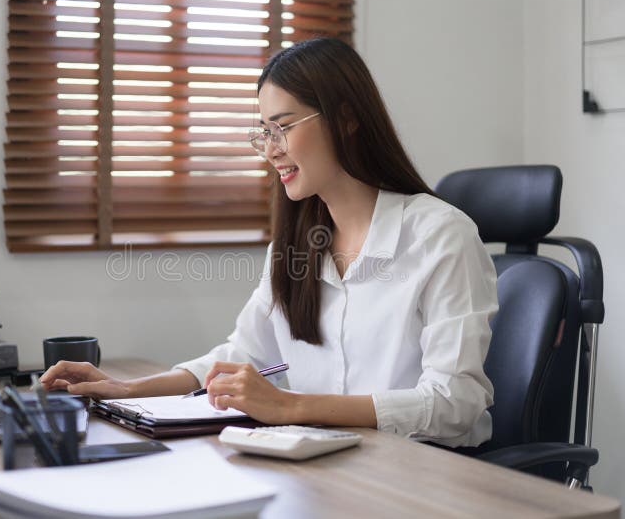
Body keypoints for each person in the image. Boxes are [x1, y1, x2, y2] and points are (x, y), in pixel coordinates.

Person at [41, 37, 498, 447]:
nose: (271, 148)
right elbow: (244, 355)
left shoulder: (441, 235)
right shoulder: (297, 244)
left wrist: (292, 406)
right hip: (329, 467)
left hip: (422, 474)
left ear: (347, 119)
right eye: (263, 131)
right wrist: (126, 390)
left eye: (283, 126)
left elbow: (454, 401)